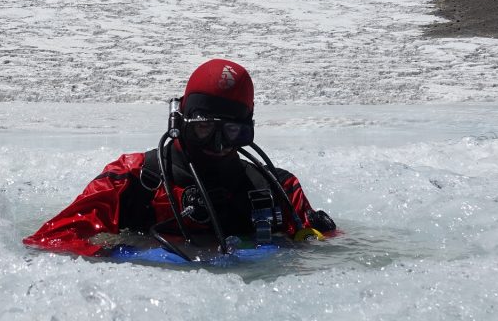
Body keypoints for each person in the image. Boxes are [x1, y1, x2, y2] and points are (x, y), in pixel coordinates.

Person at [23, 58, 336, 259]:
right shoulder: (132, 178)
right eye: (204, 128)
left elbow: (328, 250)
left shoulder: (278, 188)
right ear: (180, 121)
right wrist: (134, 255)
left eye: (230, 132)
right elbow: (51, 239)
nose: (217, 144)